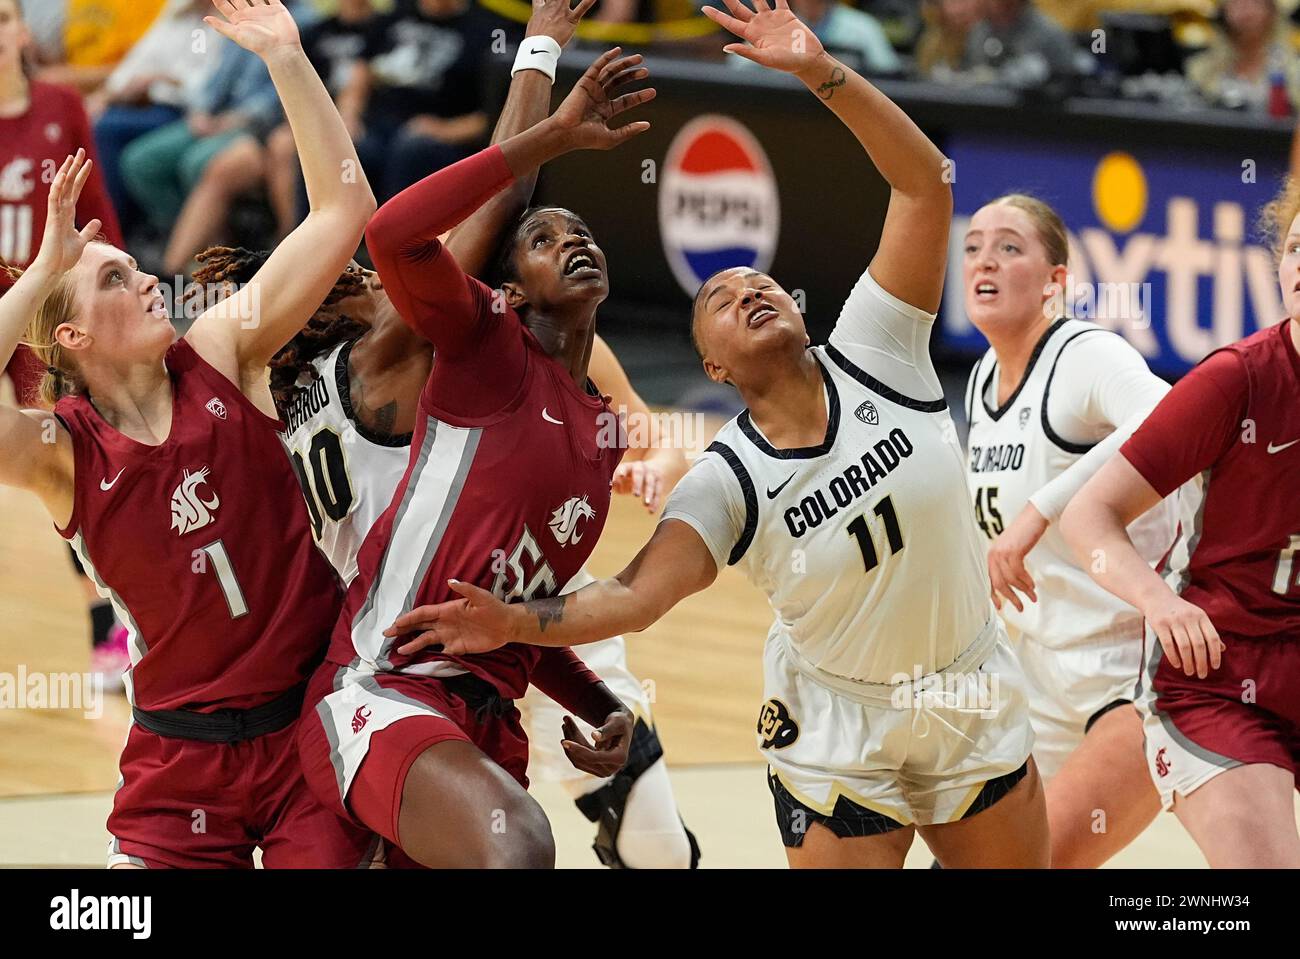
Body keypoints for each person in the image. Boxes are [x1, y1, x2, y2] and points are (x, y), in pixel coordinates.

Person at [388, 0, 1050, 870]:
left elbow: (925, 181)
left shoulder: (879, 345)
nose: (749, 290)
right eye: (721, 298)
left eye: (760, 282)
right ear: (713, 367)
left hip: (967, 686)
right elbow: (631, 598)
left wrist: (822, 70)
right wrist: (513, 619)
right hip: (838, 725)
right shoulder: (729, 478)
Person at [0, 0, 380, 869]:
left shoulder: (222, 351)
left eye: (131, 264)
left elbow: (341, 209)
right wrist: (46, 270)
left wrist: (289, 58)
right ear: (71, 339)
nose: (142, 276)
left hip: (304, 734)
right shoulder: (63, 452)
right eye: (110, 279)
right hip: (178, 765)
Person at [293, 45, 659, 868]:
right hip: (384, 687)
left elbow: (518, 615)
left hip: (486, 711)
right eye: (542, 237)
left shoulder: (599, 434)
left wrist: (602, 706)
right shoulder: (485, 349)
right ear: (512, 290)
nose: (570, 239)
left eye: (581, 231)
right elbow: (394, 233)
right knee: (522, 843)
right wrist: (548, 133)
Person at [1060, 179, 1300, 868]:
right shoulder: (1239, 379)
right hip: (1221, 675)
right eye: (1294, 247)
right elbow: (1090, 514)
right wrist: (1159, 601)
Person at [961, 193, 1178, 867]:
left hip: (1133, 675)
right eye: (972, 246)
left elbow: (1169, 414)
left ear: (1057, 281)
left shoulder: (1084, 353)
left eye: (1009, 246)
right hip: (1038, 679)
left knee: (1040, 861)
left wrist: (1042, 508)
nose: (983, 260)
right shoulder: (979, 382)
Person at [118, 33, 282, 276]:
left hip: (255, 126)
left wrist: (236, 119)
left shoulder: (298, 22)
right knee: (141, 161)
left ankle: (176, 268)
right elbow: (215, 79)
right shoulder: (238, 25)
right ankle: (185, 242)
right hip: (213, 117)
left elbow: (281, 93)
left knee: (197, 163)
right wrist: (201, 111)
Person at [342, 0, 495, 201]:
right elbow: (360, 75)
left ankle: (395, 230)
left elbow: (491, 116)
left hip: (440, 139)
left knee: (411, 149)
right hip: (380, 127)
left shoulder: (486, 30)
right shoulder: (394, 16)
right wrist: (347, 118)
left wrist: (444, 130)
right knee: (342, 147)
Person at [88, 0, 219, 228]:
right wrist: (106, 94)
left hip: (189, 110)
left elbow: (212, 84)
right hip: (150, 104)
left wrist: (165, 79)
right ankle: (102, 225)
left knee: (109, 131)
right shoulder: (178, 12)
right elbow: (140, 59)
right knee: (97, 121)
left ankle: (112, 229)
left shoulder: (225, 21)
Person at [726, 0, 902, 76]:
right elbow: (737, 68)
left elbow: (889, 76)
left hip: (848, 116)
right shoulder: (773, 27)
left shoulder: (863, 28)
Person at [1185, 0, 1300, 114]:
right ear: (1223, 10)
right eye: (1236, 1)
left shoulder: (1293, 66)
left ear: (1272, 10)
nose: (1245, 7)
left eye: (1255, 2)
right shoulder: (1202, 68)